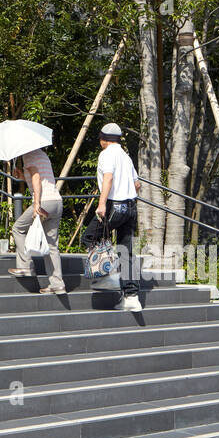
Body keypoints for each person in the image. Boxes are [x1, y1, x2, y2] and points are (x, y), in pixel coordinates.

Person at [82, 122, 141, 312]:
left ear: (104, 139)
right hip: (131, 206)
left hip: (113, 205)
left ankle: (107, 276)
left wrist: (101, 204)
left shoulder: (106, 154)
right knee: (126, 250)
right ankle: (131, 297)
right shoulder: (126, 157)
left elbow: (108, 177)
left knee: (90, 237)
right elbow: (137, 184)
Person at [9, 142, 65, 295]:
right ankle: (57, 284)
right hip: (57, 202)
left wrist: (36, 204)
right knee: (51, 245)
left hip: (45, 202)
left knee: (18, 228)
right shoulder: (42, 155)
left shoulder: (29, 155)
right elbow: (39, 176)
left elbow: (36, 177)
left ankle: (26, 265)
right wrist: (21, 175)